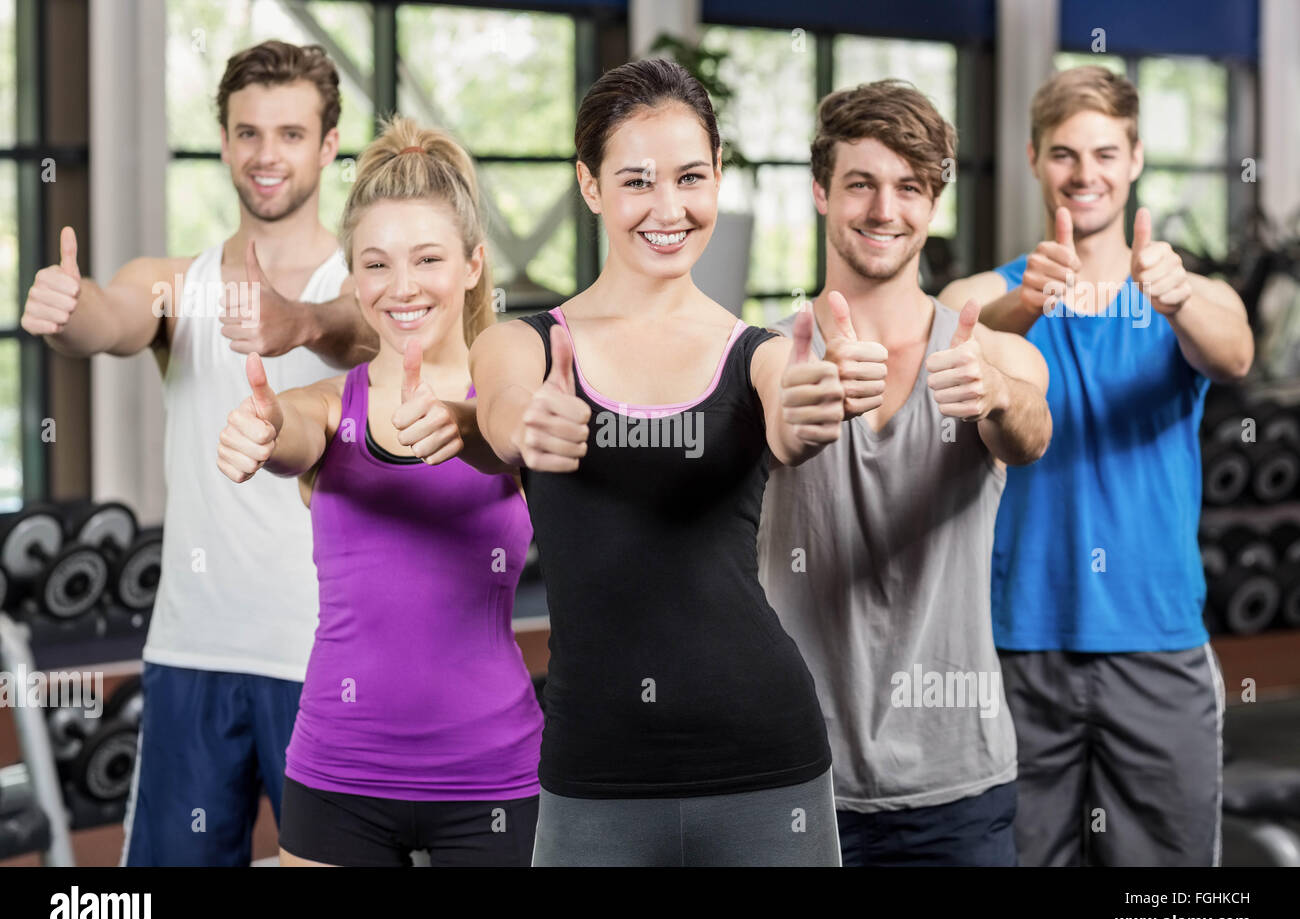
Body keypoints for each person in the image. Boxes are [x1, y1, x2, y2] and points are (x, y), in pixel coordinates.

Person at [470, 58, 848, 867]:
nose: (668, 208)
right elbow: (501, 414)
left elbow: (790, 417)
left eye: (691, 177)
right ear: (590, 185)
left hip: (765, 759)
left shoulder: (761, 354)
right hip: (595, 772)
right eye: (637, 180)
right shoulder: (522, 344)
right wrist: (526, 425)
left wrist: (812, 408)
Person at [20, 40, 377, 866]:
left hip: (327, 658)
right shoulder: (175, 283)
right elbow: (110, 320)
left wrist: (301, 320)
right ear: (222, 140)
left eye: (291, 133)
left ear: (328, 147)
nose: (265, 155)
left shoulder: (361, 285)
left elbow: (354, 330)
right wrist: (70, 309)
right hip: (192, 653)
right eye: (247, 132)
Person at [939, 65, 1252, 866]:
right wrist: (1026, 308)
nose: (1086, 174)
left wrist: (1176, 295)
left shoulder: (1186, 294)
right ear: (1037, 160)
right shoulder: (994, 295)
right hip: (1017, 648)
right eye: (1065, 154)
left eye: (1105, 153)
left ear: (1137, 158)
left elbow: (1236, 353)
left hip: (1157, 642)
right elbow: (952, 339)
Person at [217, 117, 542, 868]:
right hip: (338, 778)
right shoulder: (330, 407)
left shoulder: (513, 407)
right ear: (354, 282)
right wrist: (261, 431)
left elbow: (522, 436)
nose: (402, 287)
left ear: (472, 265)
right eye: (377, 264)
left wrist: (481, 423)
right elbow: (291, 428)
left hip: (497, 779)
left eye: (427, 258)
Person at [757, 80, 1051, 867]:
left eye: (910, 187)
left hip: (959, 787)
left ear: (933, 202)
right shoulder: (764, 366)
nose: (884, 208)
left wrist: (994, 397)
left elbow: (1031, 430)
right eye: (861, 183)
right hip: (792, 780)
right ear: (822, 191)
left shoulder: (994, 356)